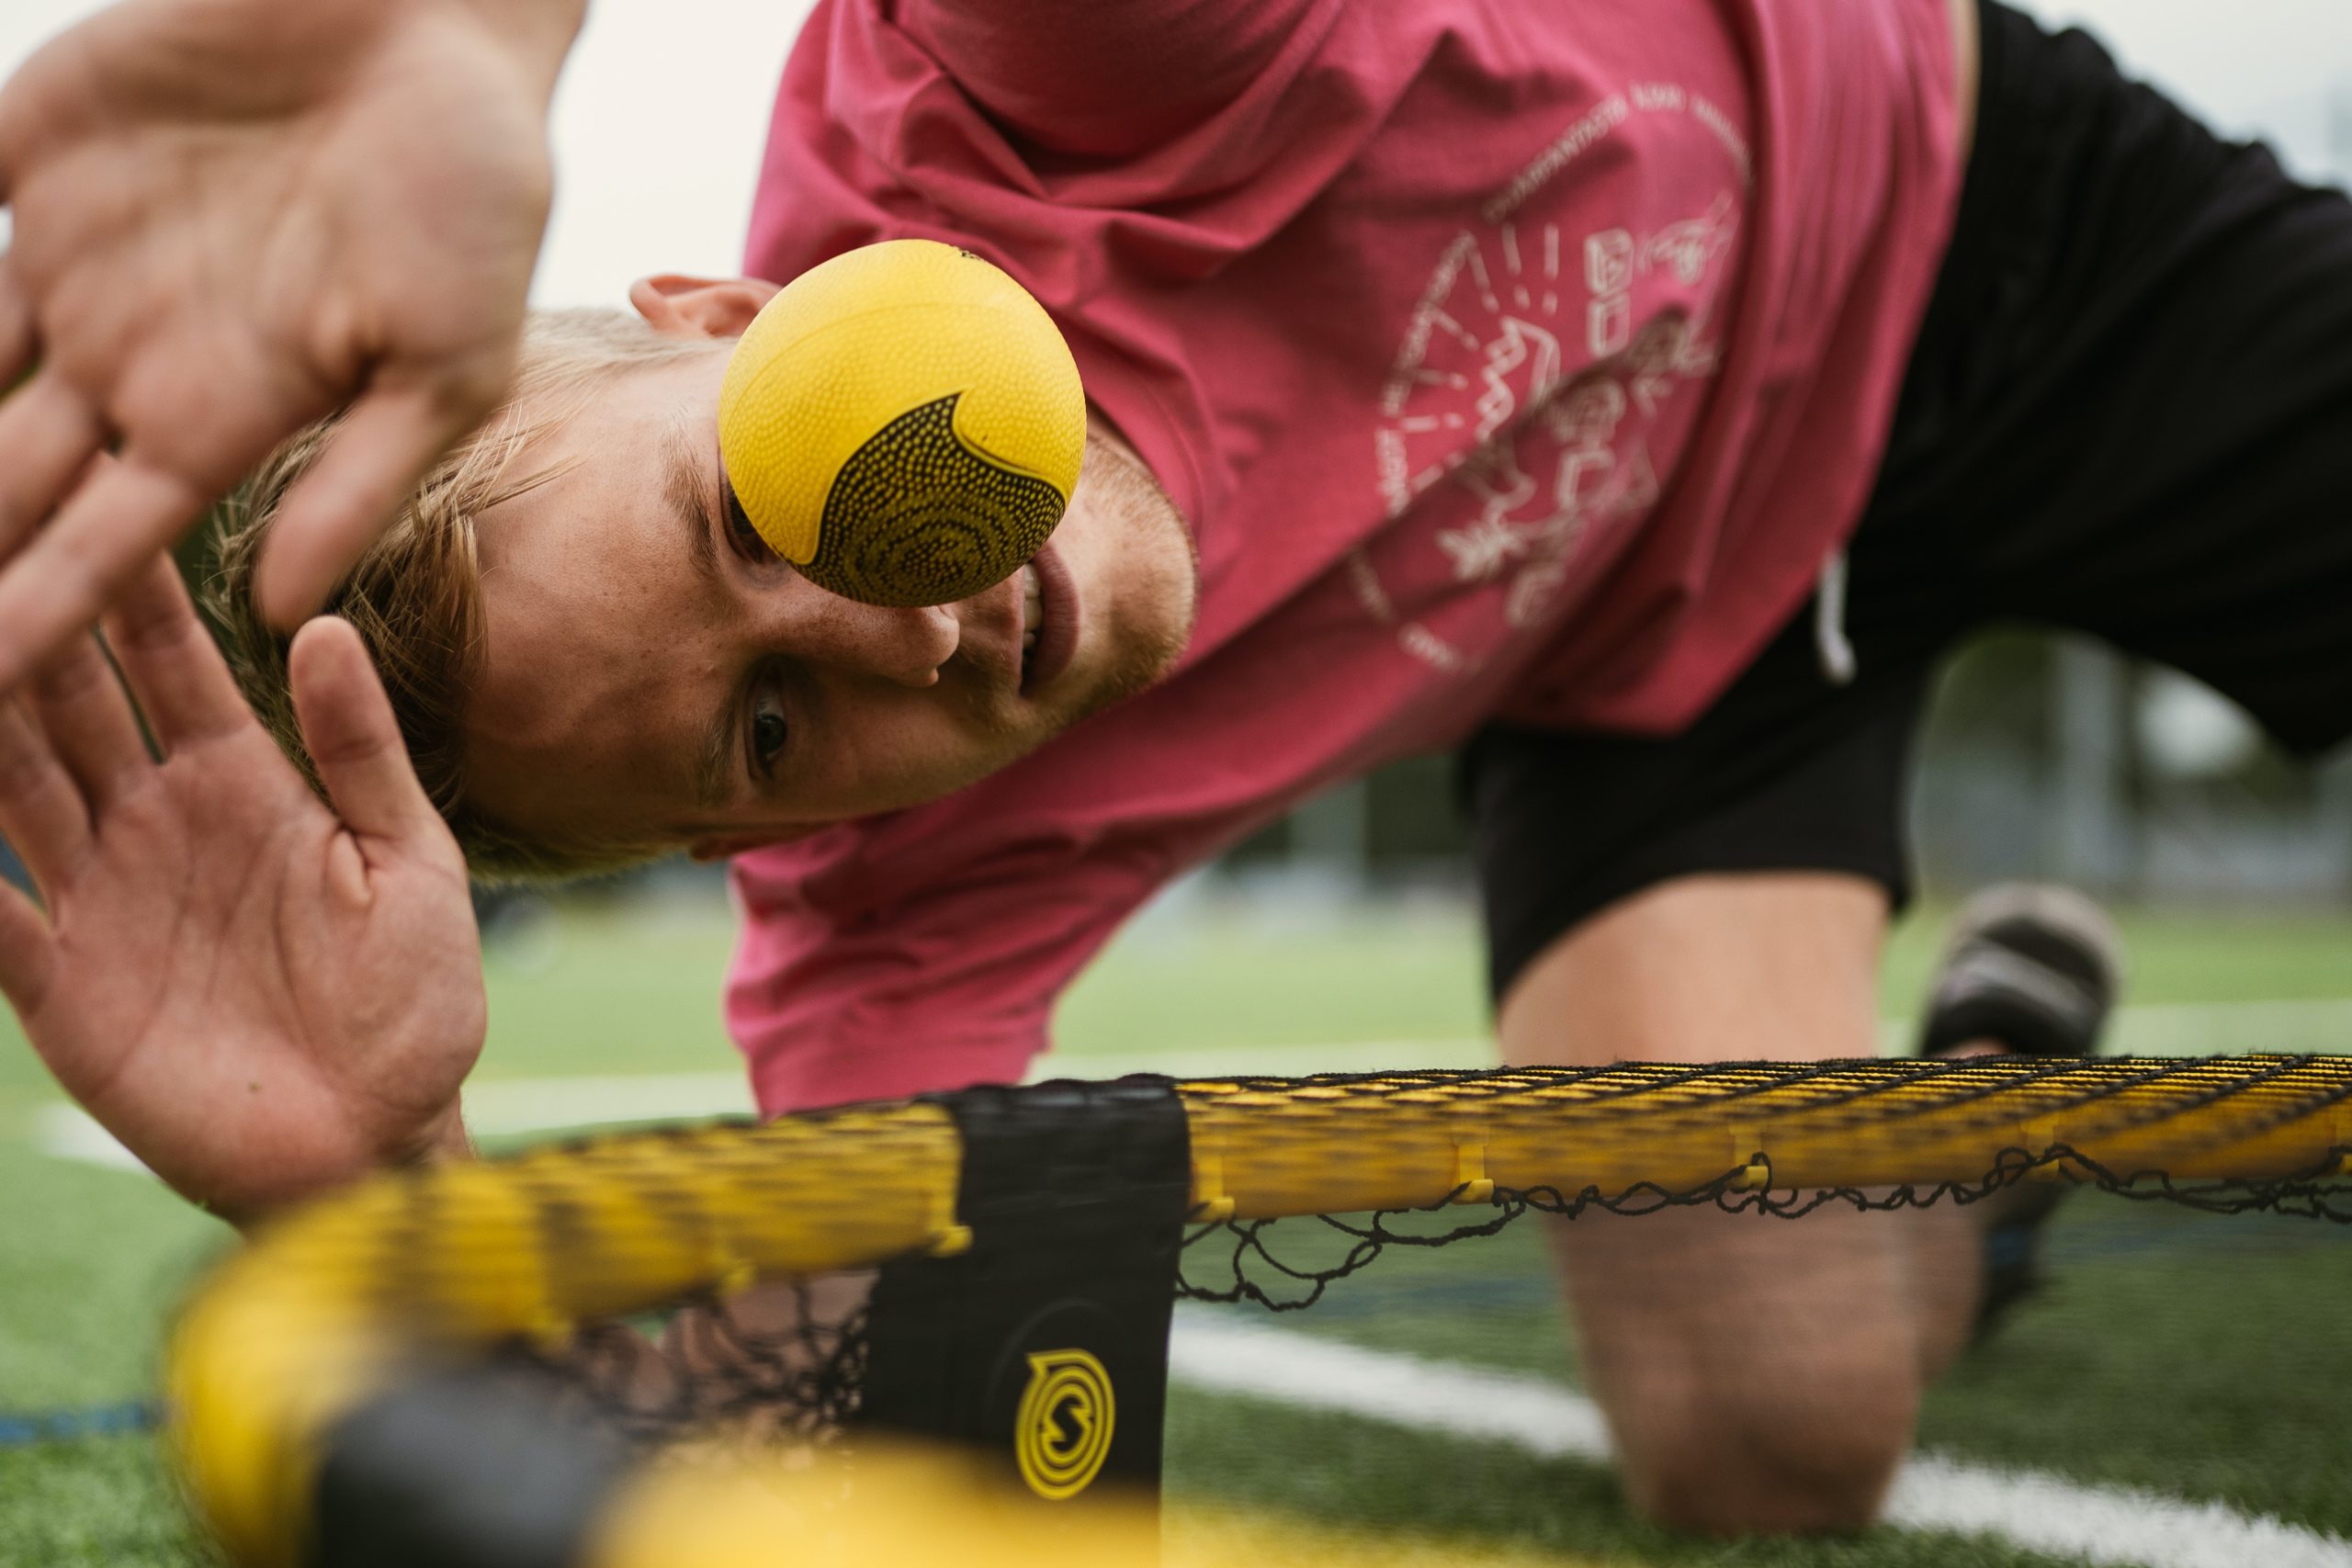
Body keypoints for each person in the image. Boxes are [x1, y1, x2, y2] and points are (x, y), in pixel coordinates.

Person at [3, 0, 2349, 1536]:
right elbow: (841, 1483)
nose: (905, 623)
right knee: (1772, 1443)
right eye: (768, 726)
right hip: (1660, 650)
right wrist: (375, 1186)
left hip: (1961, 237)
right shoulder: (892, 892)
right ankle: (1993, 1130)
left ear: (731, 313)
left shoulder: (1060, 74)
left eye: (748, 509)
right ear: (754, 842)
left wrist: (463, 32)